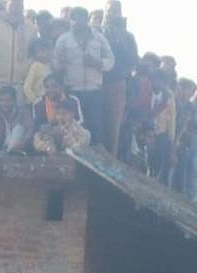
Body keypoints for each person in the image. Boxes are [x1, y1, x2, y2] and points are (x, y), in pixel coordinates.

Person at [53, 6, 113, 145]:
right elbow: (55, 63)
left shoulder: (99, 38)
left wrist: (97, 63)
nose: (76, 22)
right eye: (73, 19)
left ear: (86, 20)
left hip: (94, 90)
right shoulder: (63, 40)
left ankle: (95, 157)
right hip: (73, 91)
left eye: (79, 19)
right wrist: (60, 66)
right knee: (74, 127)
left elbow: (111, 61)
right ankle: (75, 157)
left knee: (95, 127)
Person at [101, 0, 136, 156]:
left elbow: (133, 61)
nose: (112, 13)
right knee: (96, 123)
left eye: (116, 10)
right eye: (109, 10)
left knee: (113, 127)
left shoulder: (128, 37)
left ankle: (110, 159)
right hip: (96, 83)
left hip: (116, 83)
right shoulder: (96, 33)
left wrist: (120, 39)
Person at [0, 0, 35, 106]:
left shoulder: (31, 27)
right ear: (6, 6)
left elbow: (33, 53)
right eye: (13, 5)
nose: (16, 9)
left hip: (21, 82)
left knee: (19, 113)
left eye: (19, 5)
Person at [0, 84, 32, 155]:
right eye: (1, 100)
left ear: (14, 100)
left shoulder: (24, 113)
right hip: (0, 147)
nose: (4, 103)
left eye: (8, 100)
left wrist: (24, 143)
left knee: (18, 128)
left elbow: (30, 130)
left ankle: (8, 152)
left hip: (18, 147)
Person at [21, 39, 51, 105]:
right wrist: (36, 101)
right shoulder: (35, 66)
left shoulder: (50, 66)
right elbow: (26, 87)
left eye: (43, 50)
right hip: (38, 102)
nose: (40, 54)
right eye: (37, 52)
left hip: (49, 102)